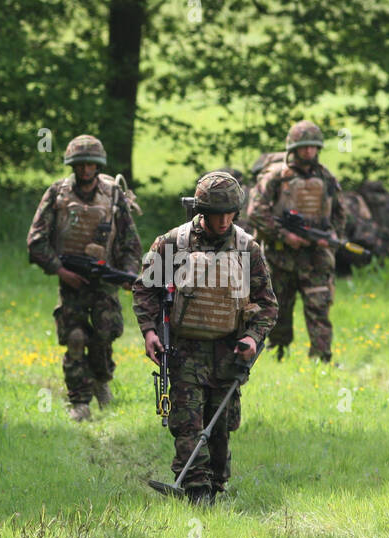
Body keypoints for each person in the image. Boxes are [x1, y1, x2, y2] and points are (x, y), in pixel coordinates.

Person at [134, 172, 278, 503]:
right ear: (202, 210)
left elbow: (267, 304)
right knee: (187, 422)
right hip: (185, 349)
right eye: (217, 214)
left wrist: (254, 338)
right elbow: (145, 288)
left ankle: (215, 485)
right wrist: (149, 331)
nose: (224, 220)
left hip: (229, 349)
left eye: (230, 213)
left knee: (221, 425)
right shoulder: (174, 243)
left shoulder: (247, 247)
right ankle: (196, 489)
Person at [26, 134, 142, 422]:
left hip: (105, 282)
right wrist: (61, 271)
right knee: (76, 337)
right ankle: (79, 400)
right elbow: (36, 241)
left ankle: (101, 379)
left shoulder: (114, 194)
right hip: (71, 283)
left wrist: (128, 274)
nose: (86, 170)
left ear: (98, 166)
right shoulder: (57, 194)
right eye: (80, 165)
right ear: (73, 166)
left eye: (91, 165)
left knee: (104, 335)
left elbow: (130, 243)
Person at [245, 120, 346, 362]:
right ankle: (278, 352)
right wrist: (284, 235)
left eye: (313, 147)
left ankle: (322, 359)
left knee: (319, 307)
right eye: (304, 147)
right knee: (278, 309)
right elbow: (255, 212)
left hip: (315, 257)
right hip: (280, 256)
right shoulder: (275, 177)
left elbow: (339, 213)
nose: (309, 152)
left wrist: (331, 237)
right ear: (293, 148)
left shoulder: (325, 177)